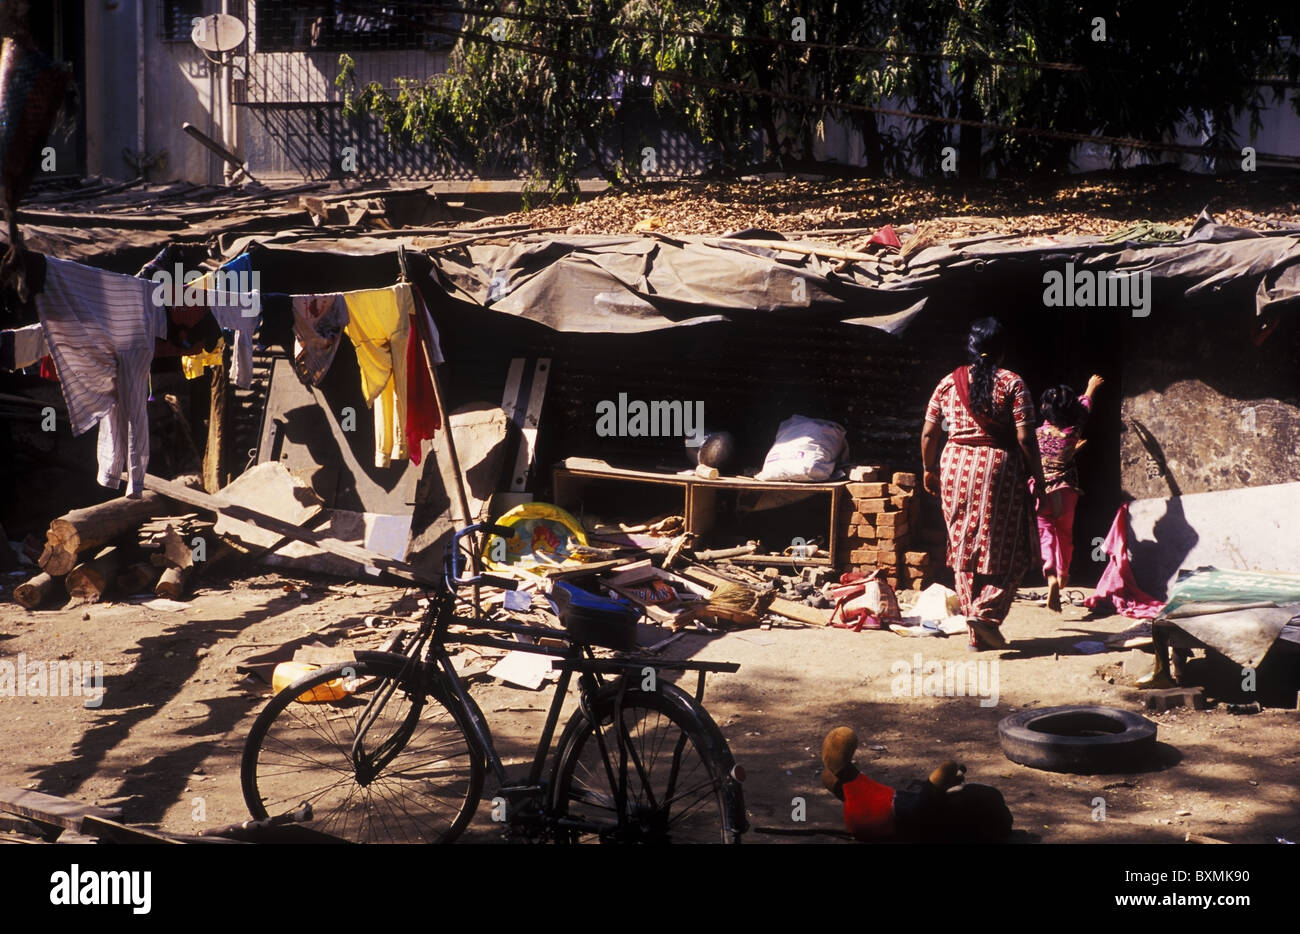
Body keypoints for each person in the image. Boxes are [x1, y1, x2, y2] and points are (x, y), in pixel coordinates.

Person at [921, 317, 1044, 650]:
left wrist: (928, 468)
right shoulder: (1013, 383)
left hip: (954, 467)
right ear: (1002, 351)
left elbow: (931, 432)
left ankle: (977, 634)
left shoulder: (948, 383)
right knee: (1013, 548)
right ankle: (986, 614)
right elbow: (1025, 437)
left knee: (963, 548)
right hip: (997, 469)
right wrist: (1040, 478)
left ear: (970, 347)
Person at [820, 726, 1012, 842]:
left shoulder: (951, 819)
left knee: (915, 806)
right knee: (885, 796)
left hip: (884, 818)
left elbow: (924, 809)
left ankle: (843, 776)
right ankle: (842, 780)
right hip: (886, 809)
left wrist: (935, 786)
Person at [1035, 375, 1104, 611]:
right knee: (1064, 533)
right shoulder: (1073, 430)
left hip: (1042, 490)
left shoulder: (1037, 434)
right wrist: (1090, 387)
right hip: (1065, 491)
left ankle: (1051, 573)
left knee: (1045, 533)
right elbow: (1085, 406)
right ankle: (1063, 574)